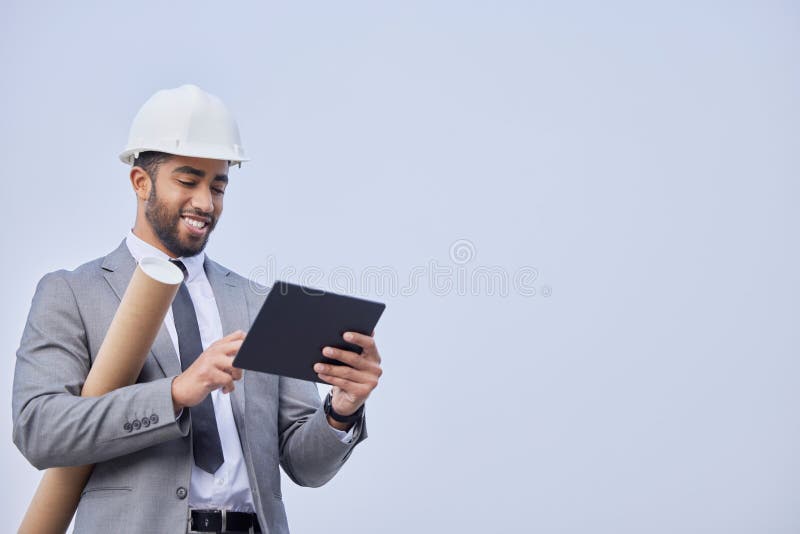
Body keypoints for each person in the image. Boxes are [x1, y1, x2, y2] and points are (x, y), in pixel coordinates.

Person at [11, 84, 383, 534]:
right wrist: (175, 393)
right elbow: (38, 430)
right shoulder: (71, 292)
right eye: (188, 181)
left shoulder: (258, 302)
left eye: (218, 186)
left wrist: (341, 409)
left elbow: (306, 466)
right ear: (140, 182)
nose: (205, 203)